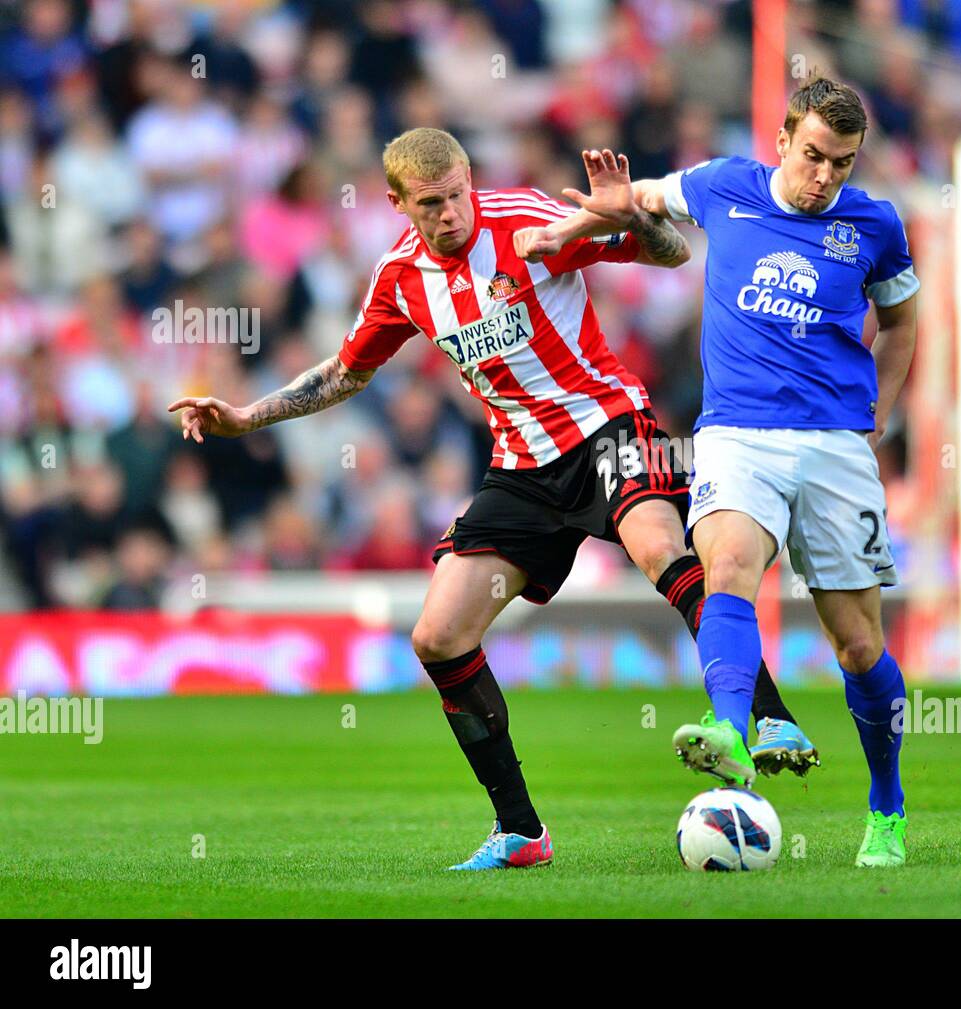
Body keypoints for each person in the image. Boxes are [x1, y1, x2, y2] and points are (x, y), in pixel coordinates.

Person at [169, 128, 815, 872]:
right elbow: (348, 372)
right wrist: (248, 415)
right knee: (437, 637)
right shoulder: (401, 278)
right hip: (521, 470)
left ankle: (765, 716)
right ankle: (520, 831)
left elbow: (669, 253)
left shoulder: (526, 222)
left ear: (470, 180)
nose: (451, 214)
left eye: (457, 195)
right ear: (398, 204)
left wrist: (628, 218)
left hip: (608, 424)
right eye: (431, 204)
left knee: (660, 548)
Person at [526, 78, 919, 867]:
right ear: (781, 141)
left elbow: (904, 320)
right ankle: (732, 733)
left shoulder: (874, 224)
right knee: (728, 565)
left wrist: (882, 412)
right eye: (813, 155)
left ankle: (888, 808)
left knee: (858, 646)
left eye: (842, 163)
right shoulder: (723, 187)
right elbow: (639, 198)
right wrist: (588, 216)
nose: (825, 176)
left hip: (836, 445)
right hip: (738, 434)